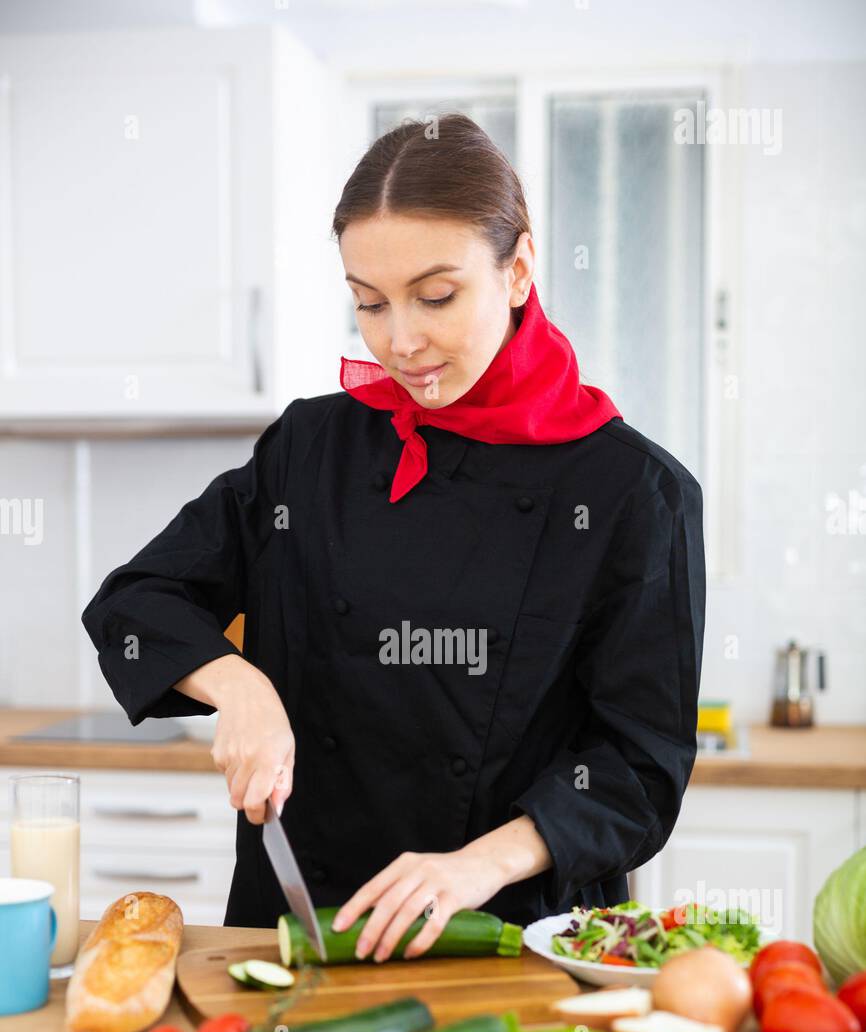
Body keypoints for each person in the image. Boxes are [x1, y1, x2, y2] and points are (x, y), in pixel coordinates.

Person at [82, 113, 705, 963]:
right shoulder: (309, 449)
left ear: (519, 271)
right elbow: (134, 600)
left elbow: (638, 770)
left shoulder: (634, 491)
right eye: (368, 304)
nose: (399, 341)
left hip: (508, 939)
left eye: (436, 296)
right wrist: (239, 687)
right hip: (298, 929)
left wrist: (473, 868)